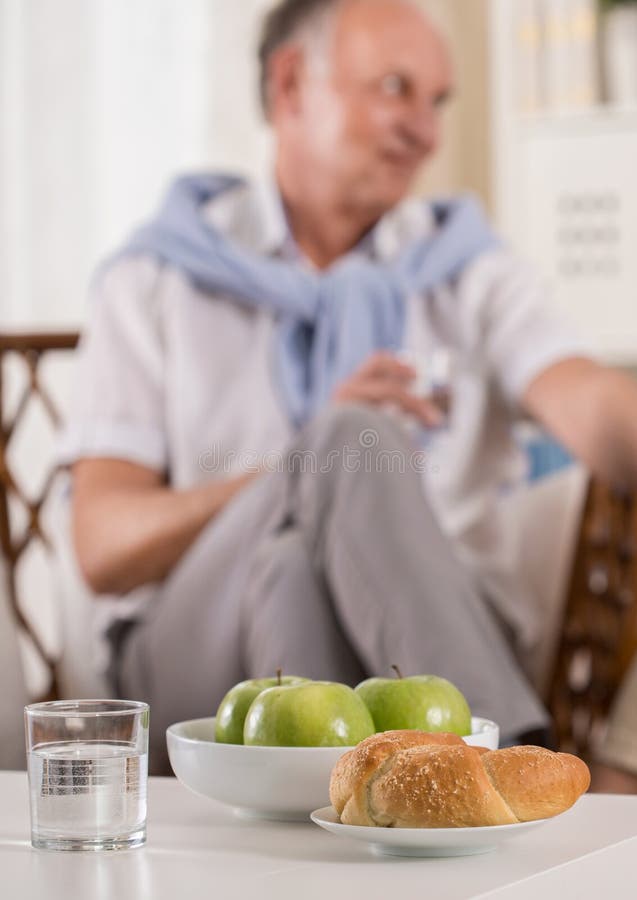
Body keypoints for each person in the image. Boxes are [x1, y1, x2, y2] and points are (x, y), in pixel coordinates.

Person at [60, 0, 637, 774]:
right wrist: (303, 470)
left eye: (437, 102)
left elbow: (588, 402)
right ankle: (511, 774)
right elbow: (103, 546)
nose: (426, 132)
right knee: (349, 439)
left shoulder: (468, 271)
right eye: (395, 88)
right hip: (197, 671)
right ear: (292, 84)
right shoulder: (155, 279)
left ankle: (342, 838)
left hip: (424, 649)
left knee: (293, 568)